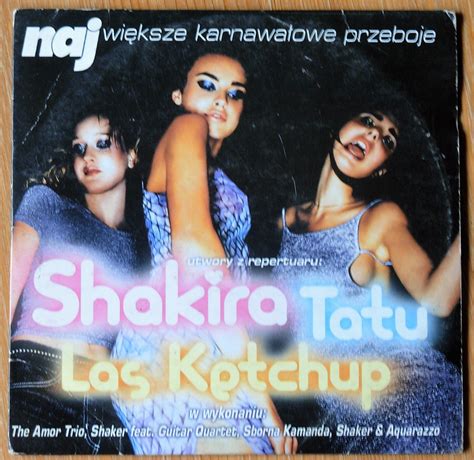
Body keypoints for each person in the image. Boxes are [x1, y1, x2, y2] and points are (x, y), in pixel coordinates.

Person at [112, 52, 296, 455]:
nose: (221, 100)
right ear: (178, 95)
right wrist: (265, 404)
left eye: (235, 94)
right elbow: (195, 250)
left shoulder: (220, 173)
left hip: (220, 343)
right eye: (207, 85)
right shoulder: (185, 127)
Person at [270, 109, 462, 453]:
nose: (374, 135)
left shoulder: (379, 218)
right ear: (338, 125)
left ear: (380, 168)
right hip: (353, 426)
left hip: (414, 408)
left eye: (388, 141)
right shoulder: (284, 221)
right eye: (369, 121)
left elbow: (436, 299)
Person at [10, 109, 143, 454]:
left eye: (102, 143)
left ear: (132, 155)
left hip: (105, 408)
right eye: (79, 148)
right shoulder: (46, 204)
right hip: (37, 381)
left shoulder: (140, 247)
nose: (88, 156)